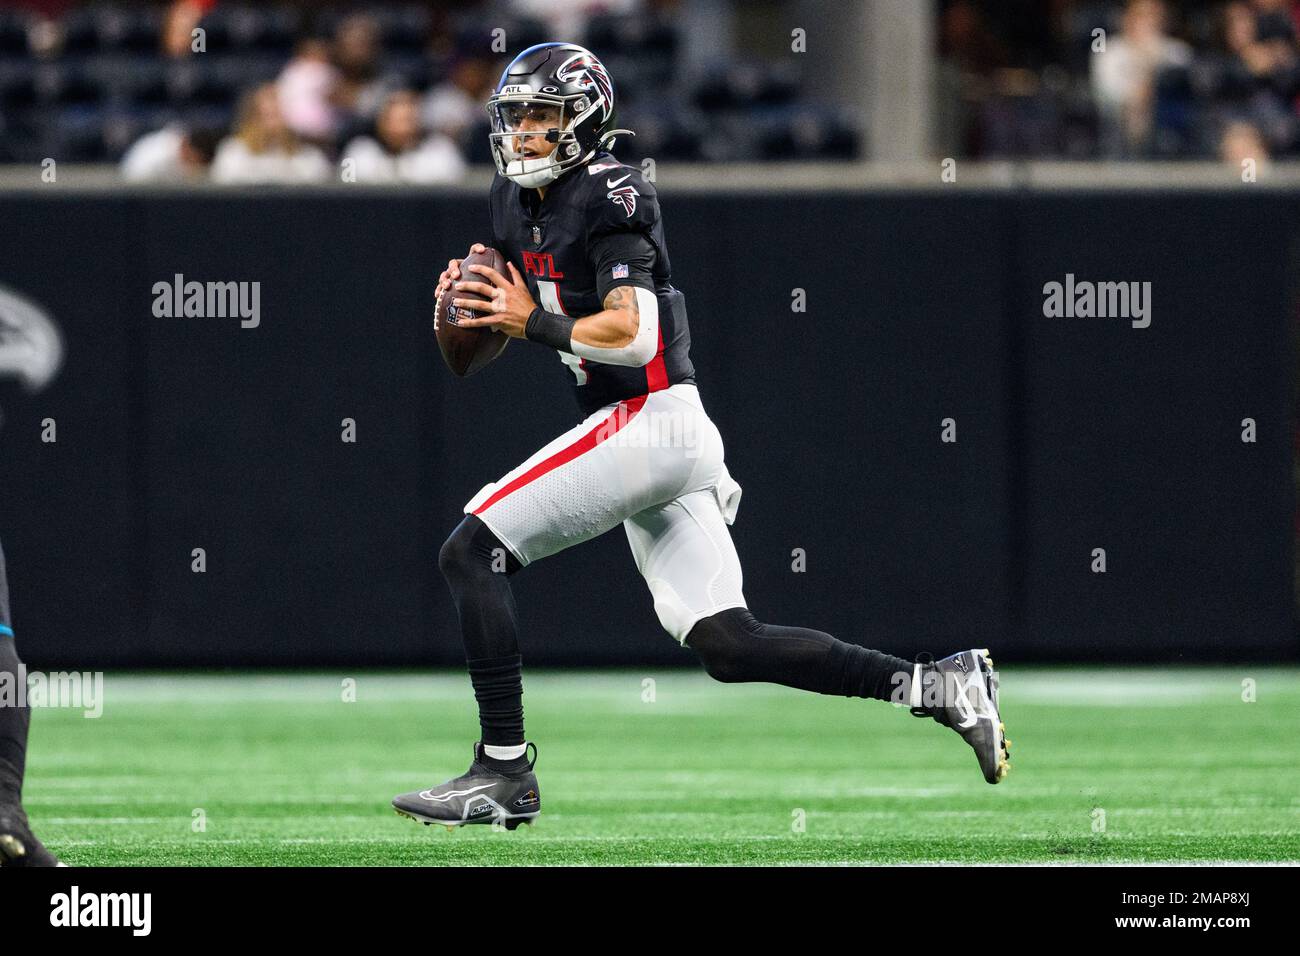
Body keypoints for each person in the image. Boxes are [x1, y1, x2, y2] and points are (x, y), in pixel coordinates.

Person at [391, 44, 1010, 830]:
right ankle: (938, 685)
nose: (524, 133)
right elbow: (493, 336)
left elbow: (634, 334)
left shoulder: (612, 191)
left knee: (469, 550)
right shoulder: (513, 199)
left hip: (651, 419)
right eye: (515, 117)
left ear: (584, 119)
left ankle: (504, 773)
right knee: (729, 643)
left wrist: (530, 321)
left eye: (542, 117)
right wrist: (476, 316)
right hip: (652, 436)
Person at [210, 83, 331, 185]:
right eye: (266, 116)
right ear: (251, 118)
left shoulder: (310, 158)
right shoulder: (233, 152)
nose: (273, 125)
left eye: (278, 116)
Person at [340, 90, 465, 184]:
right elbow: (346, 193)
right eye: (391, 120)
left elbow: (454, 194)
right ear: (380, 123)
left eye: (406, 120)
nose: (398, 128)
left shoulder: (441, 151)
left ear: (418, 122)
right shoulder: (360, 151)